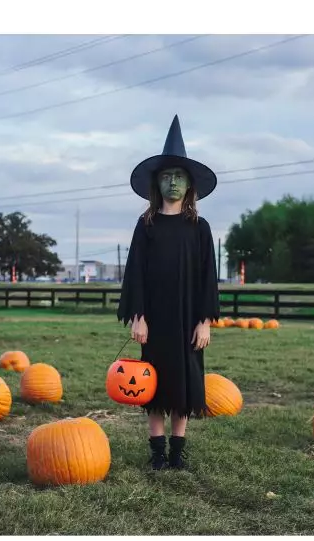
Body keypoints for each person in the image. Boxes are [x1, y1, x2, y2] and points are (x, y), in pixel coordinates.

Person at [118, 115, 220, 470]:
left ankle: (178, 452)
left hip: (189, 318)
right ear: (156, 184)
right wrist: (138, 316)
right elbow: (135, 275)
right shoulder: (146, 226)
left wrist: (205, 321)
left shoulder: (199, 228)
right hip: (155, 320)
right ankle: (157, 452)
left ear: (190, 185)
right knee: (153, 383)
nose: (173, 182)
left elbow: (209, 277)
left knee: (184, 384)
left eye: (179, 176)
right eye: (166, 176)